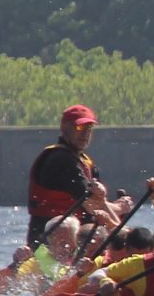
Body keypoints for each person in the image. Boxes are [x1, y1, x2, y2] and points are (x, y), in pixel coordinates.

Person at [27, 104, 126, 245]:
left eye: (89, 128)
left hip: (76, 241)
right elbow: (91, 203)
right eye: (80, 128)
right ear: (64, 128)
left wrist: (116, 209)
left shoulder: (84, 161)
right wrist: (120, 209)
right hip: (47, 243)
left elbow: (97, 203)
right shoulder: (61, 159)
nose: (85, 133)